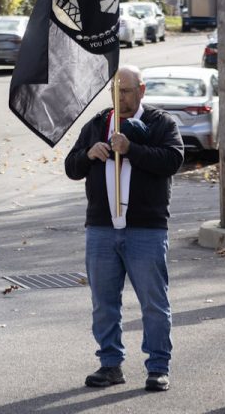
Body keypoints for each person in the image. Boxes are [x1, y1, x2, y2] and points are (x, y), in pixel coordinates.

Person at [63, 66, 184, 393]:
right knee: (104, 303)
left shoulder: (161, 123)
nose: (121, 98)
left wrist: (131, 149)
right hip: (101, 228)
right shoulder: (98, 124)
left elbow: (173, 160)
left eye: (127, 91)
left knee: (153, 303)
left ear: (141, 90)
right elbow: (71, 167)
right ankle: (110, 364)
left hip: (146, 229)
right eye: (115, 92)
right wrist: (89, 154)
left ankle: (158, 366)